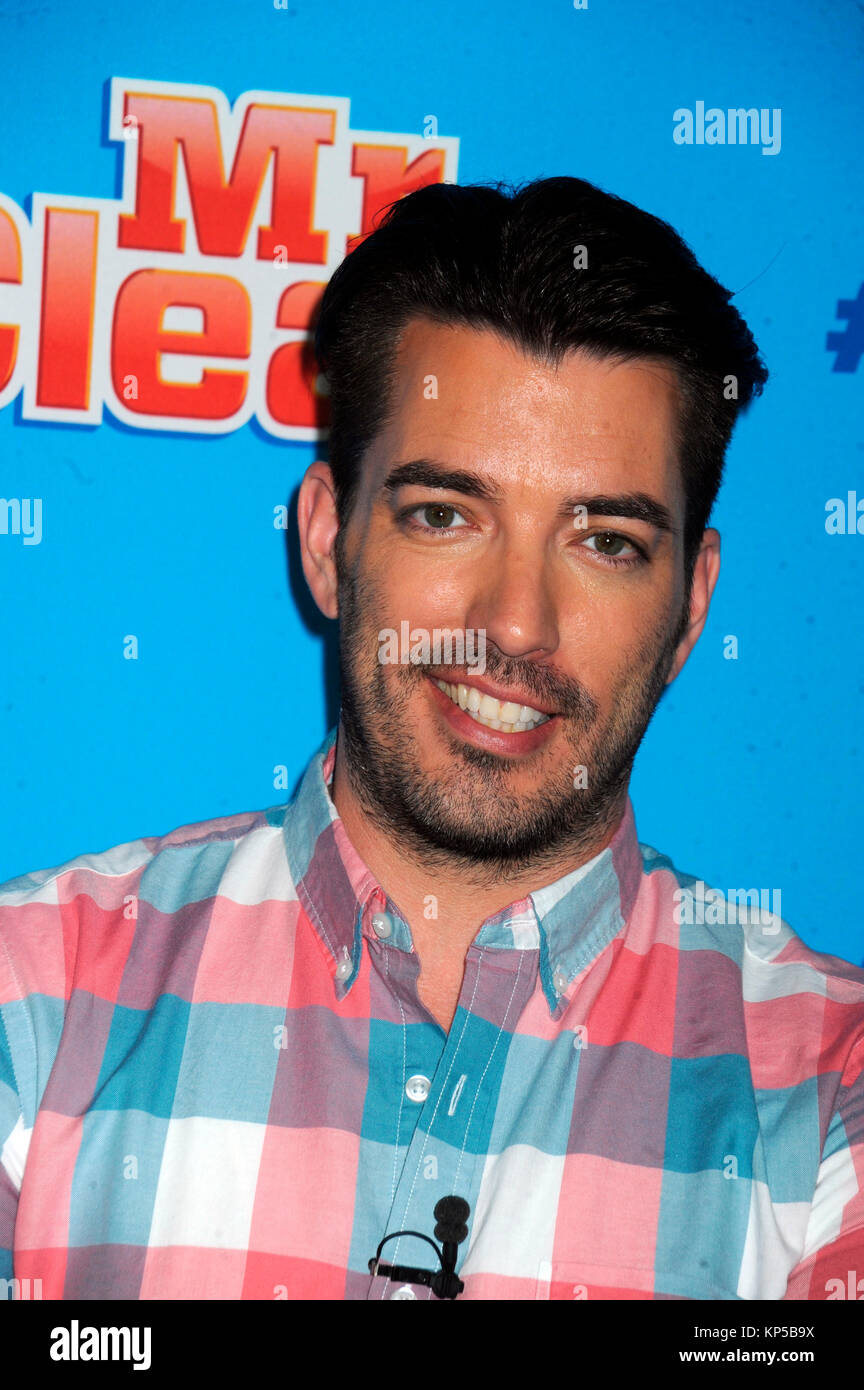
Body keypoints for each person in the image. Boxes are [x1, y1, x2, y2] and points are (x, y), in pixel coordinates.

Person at [1, 177, 861, 1302]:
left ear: (691, 606)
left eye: (605, 539)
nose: (515, 621)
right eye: (445, 514)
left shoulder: (827, 1082)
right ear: (325, 541)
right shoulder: (36, 1002)